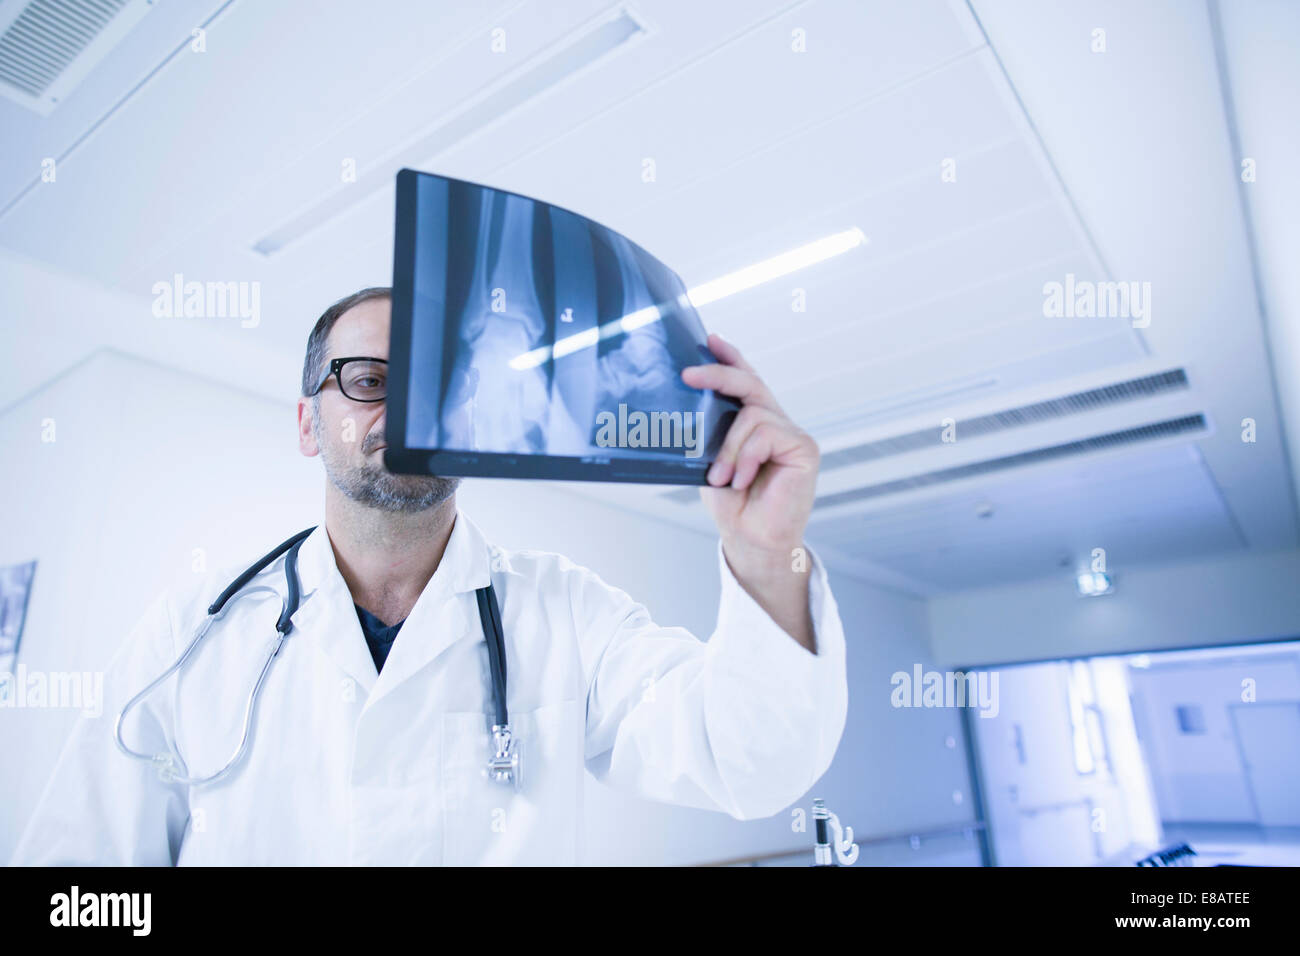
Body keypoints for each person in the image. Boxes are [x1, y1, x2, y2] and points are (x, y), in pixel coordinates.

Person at [10, 286, 848, 865]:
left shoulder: (569, 615)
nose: (409, 412)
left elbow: (750, 760)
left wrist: (768, 553)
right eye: (369, 381)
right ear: (309, 423)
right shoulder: (191, 629)